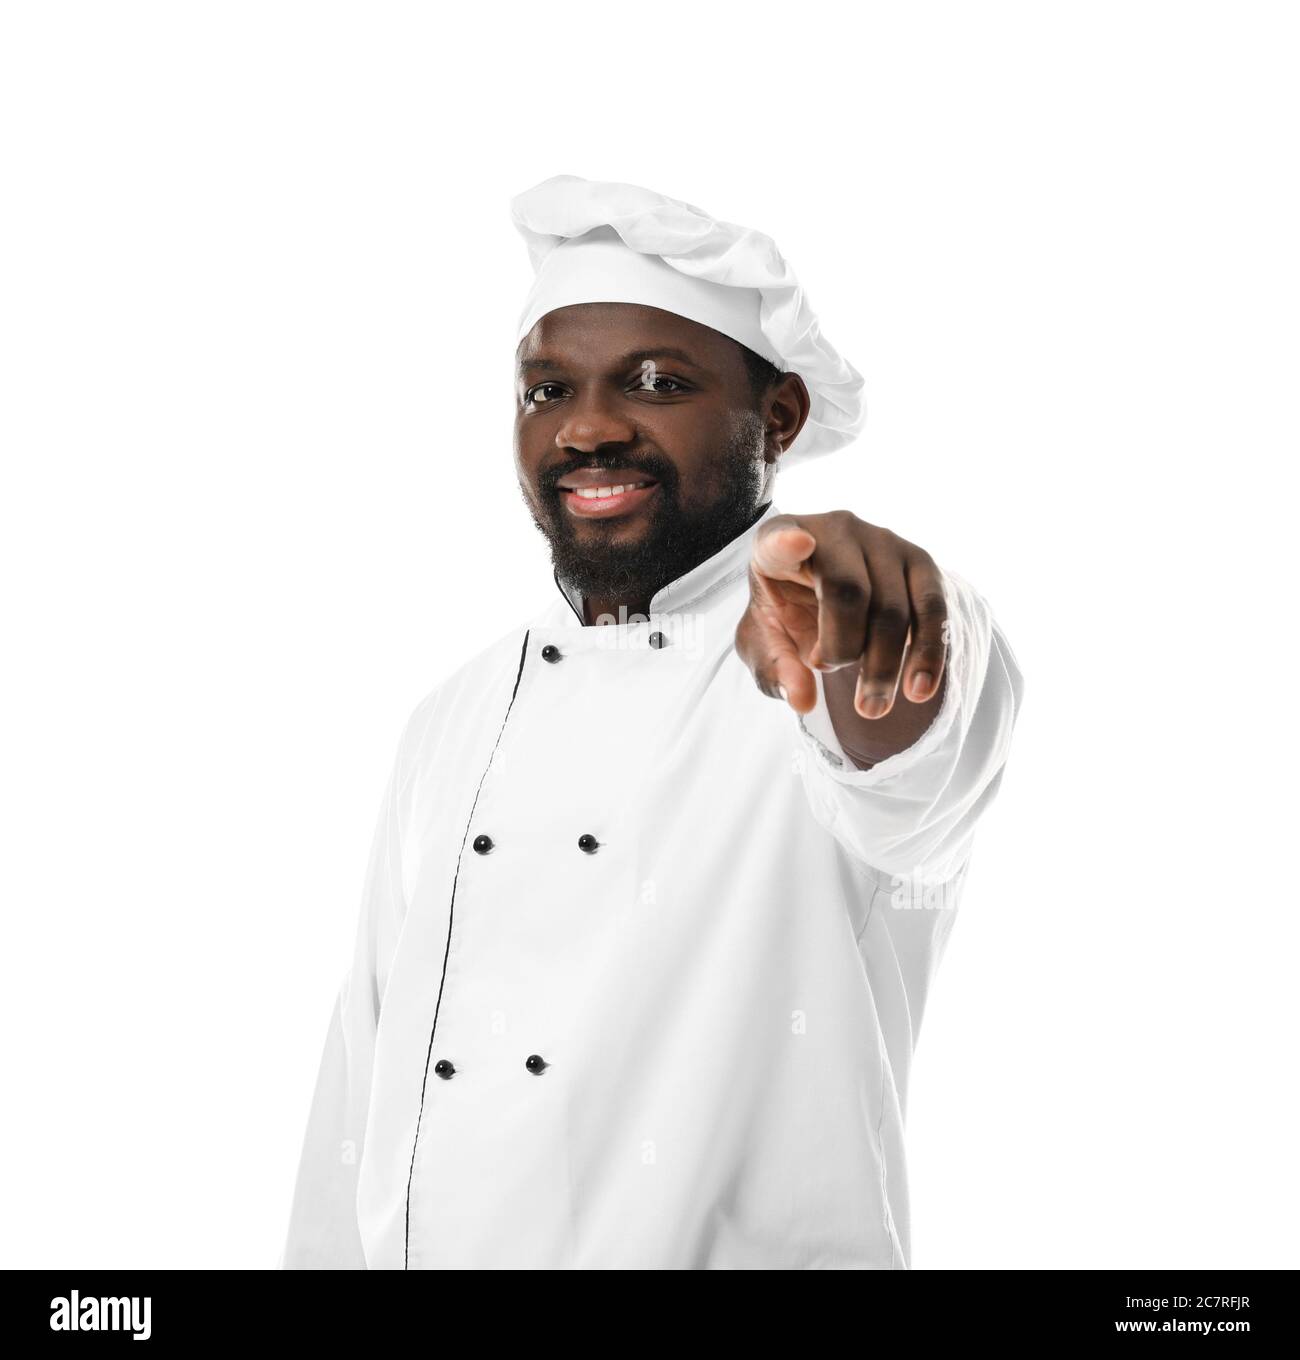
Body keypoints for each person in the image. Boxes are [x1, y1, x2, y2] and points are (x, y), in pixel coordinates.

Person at [280, 174, 1024, 1270]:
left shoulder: (823, 643)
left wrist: (897, 640)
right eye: (545, 391)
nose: (585, 426)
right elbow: (361, 1082)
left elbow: (913, 753)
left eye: (655, 382)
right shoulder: (449, 716)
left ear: (777, 418)